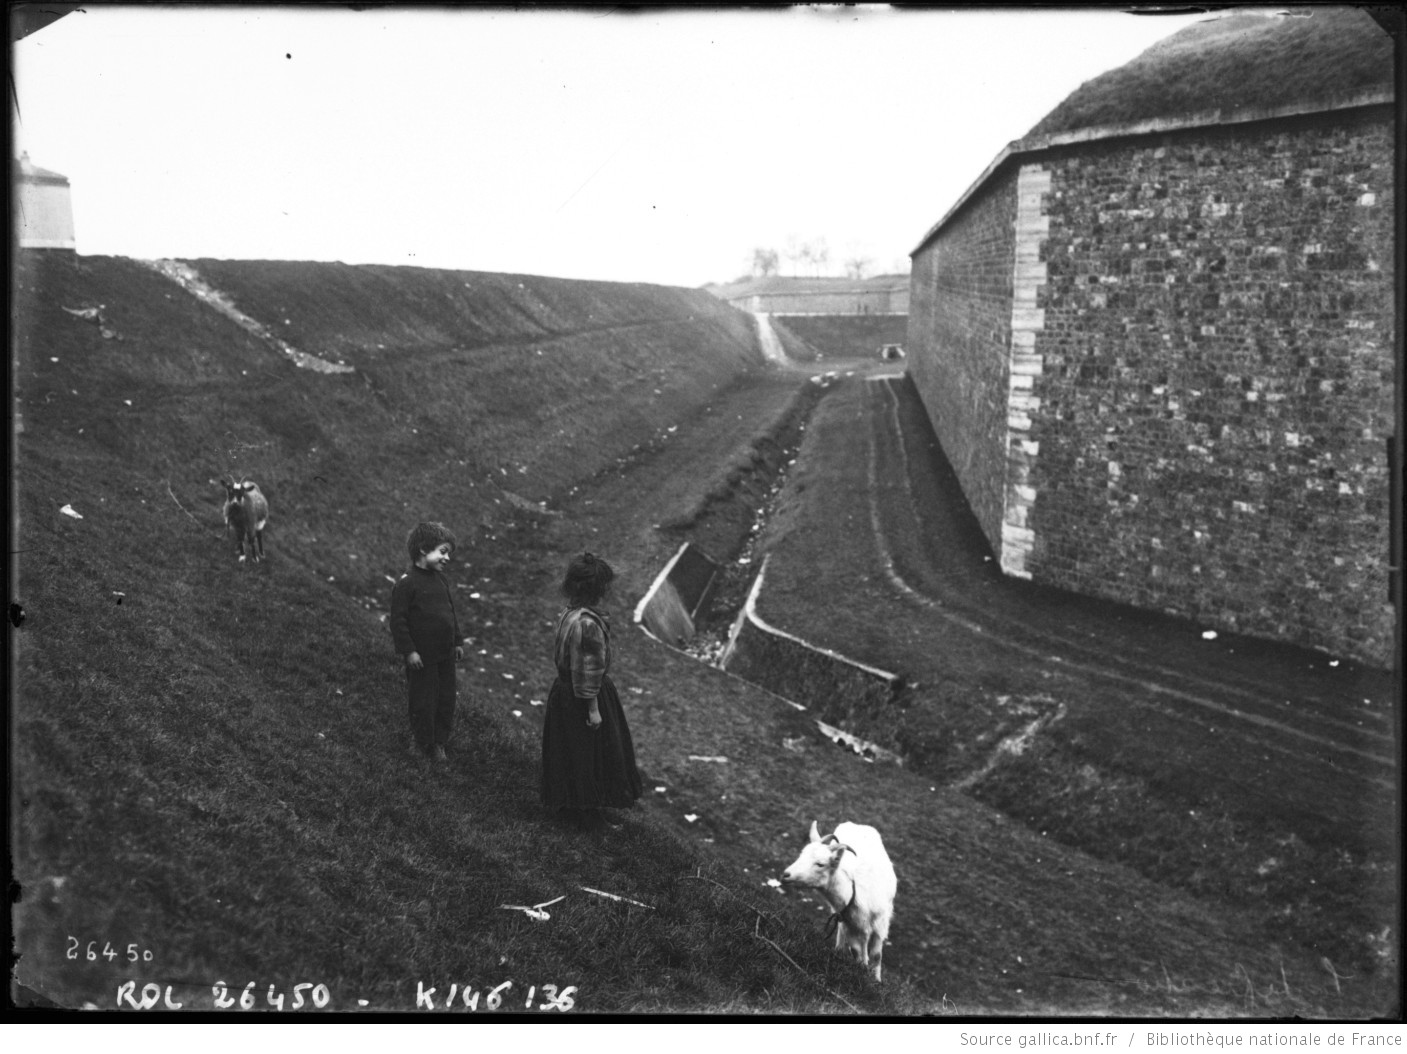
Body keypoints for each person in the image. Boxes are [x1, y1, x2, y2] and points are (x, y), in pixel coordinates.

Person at [541, 552, 642, 831]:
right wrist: (594, 709)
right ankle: (590, 816)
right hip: (584, 697)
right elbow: (588, 671)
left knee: (570, 751)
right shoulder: (587, 624)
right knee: (590, 754)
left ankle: (569, 805)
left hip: (563, 691)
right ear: (598, 590)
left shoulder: (568, 614)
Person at [389, 521, 465, 762]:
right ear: (423, 549)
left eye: (448, 554)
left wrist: (458, 641)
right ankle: (420, 741)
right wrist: (409, 651)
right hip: (422, 659)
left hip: (445, 655)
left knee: (445, 699)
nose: (447, 558)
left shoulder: (440, 581)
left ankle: (439, 742)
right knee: (423, 700)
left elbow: (450, 613)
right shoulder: (407, 583)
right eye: (443, 551)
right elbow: (398, 621)